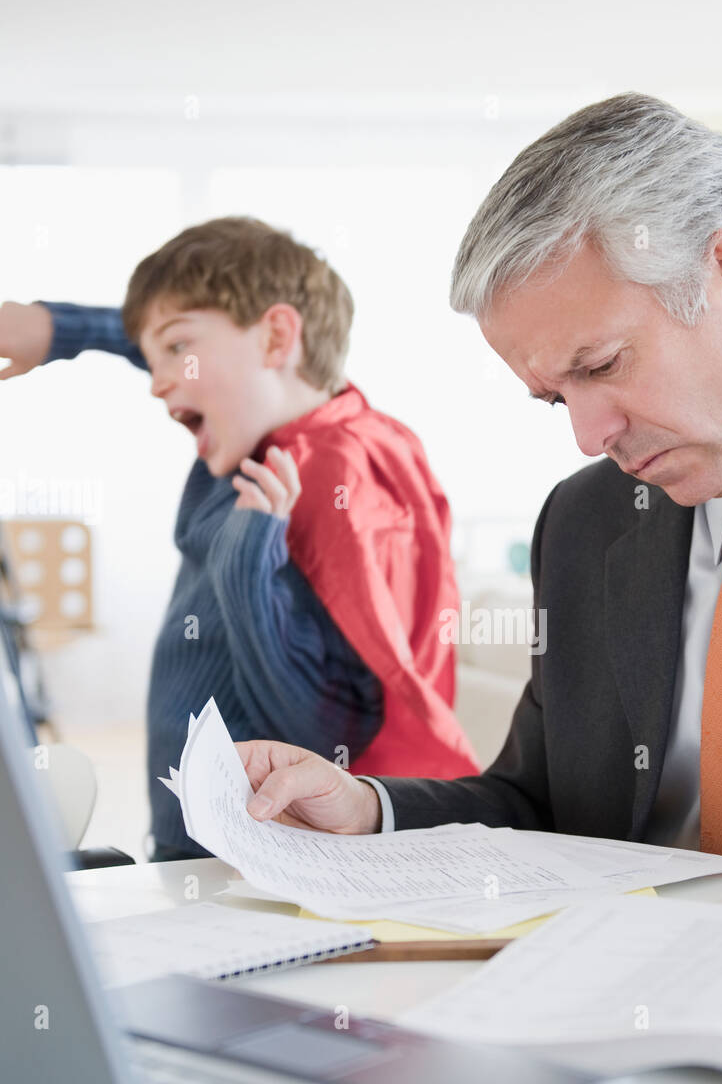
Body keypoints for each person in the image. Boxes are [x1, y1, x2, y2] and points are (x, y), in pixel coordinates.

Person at [216, 93, 722, 893]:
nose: (589, 437)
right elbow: (540, 804)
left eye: (602, 366)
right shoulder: (585, 521)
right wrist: (367, 810)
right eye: (555, 398)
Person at [0, 217, 478, 859]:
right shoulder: (265, 440)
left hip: (262, 867)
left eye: (172, 350)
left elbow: (325, 733)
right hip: (201, 851)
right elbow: (207, 342)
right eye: (152, 353)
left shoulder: (331, 473)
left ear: (278, 335)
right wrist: (61, 330)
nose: (154, 377)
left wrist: (247, 560)